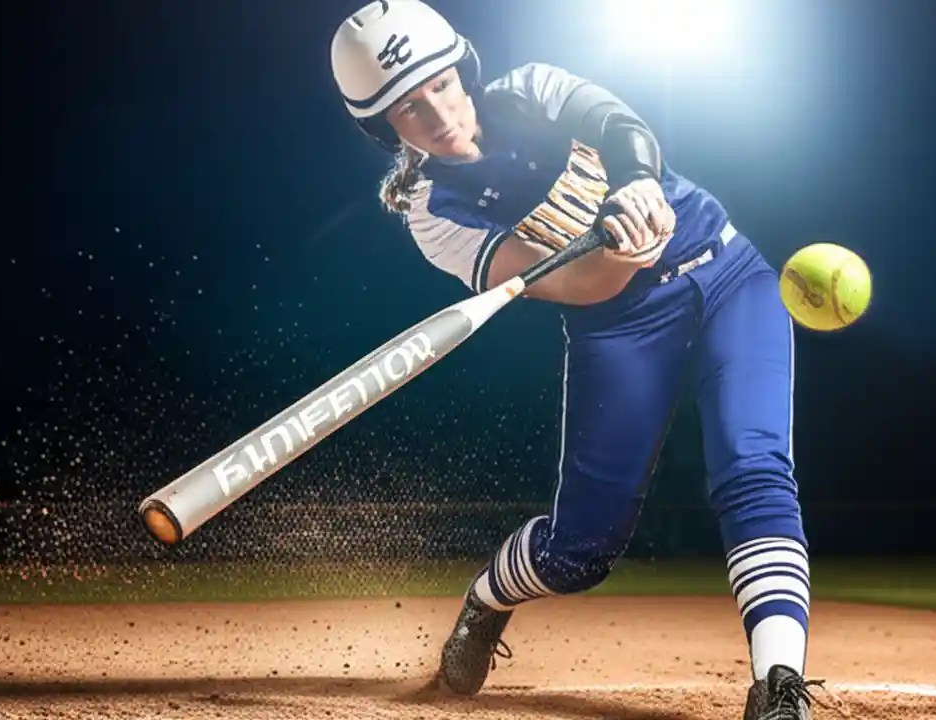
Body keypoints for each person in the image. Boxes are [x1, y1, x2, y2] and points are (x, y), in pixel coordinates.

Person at [330, 2, 821, 718]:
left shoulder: (532, 87)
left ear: (463, 68)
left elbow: (621, 127)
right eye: (408, 107)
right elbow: (579, 284)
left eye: (440, 83)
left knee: (754, 467)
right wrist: (624, 254)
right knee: (579, 552)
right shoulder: (433, 214)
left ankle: (779, 686)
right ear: (384, 128)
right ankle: (487, 599)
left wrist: (638, 181)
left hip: (731, 276)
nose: (437, 113)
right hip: (618, 323)